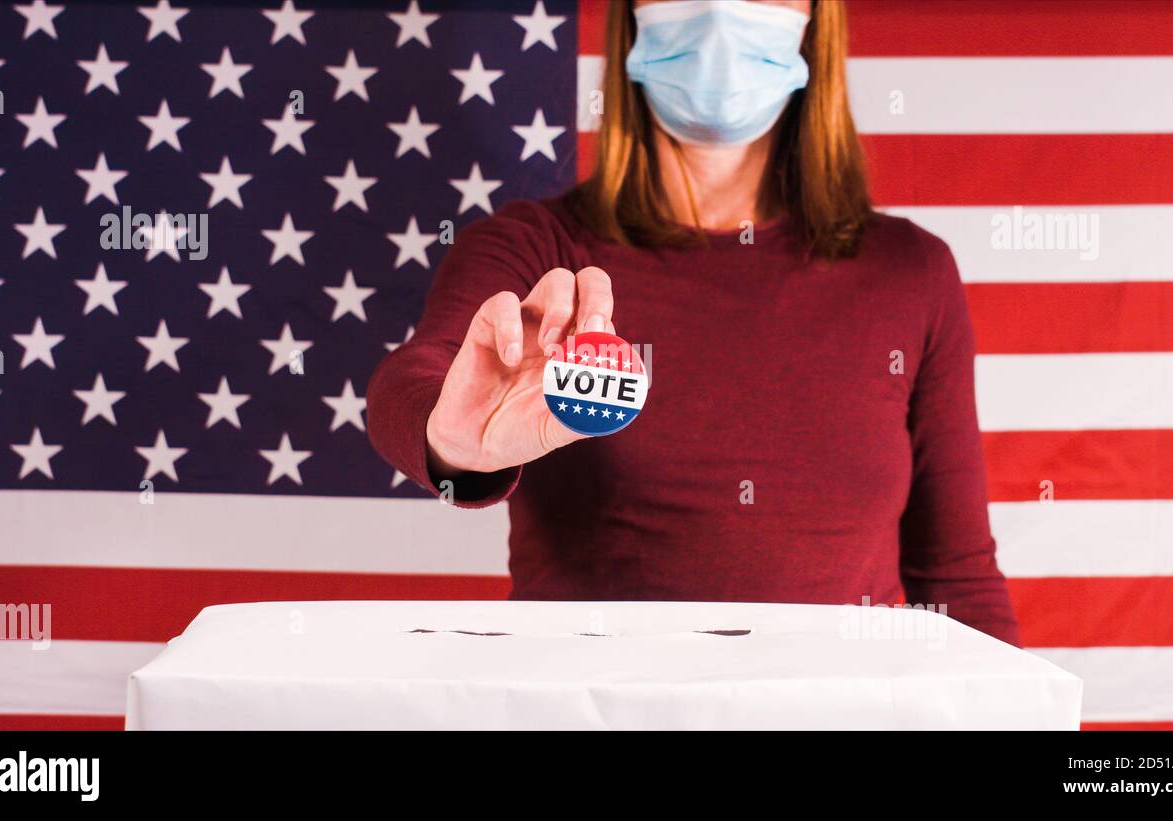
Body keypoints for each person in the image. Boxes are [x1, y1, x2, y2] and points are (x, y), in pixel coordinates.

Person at [367, 0, 1021, 646]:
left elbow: (955, 574)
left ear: (818, 17)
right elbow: (415, 378)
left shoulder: (913, 271)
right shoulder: (537, 250)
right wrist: (453, 440)